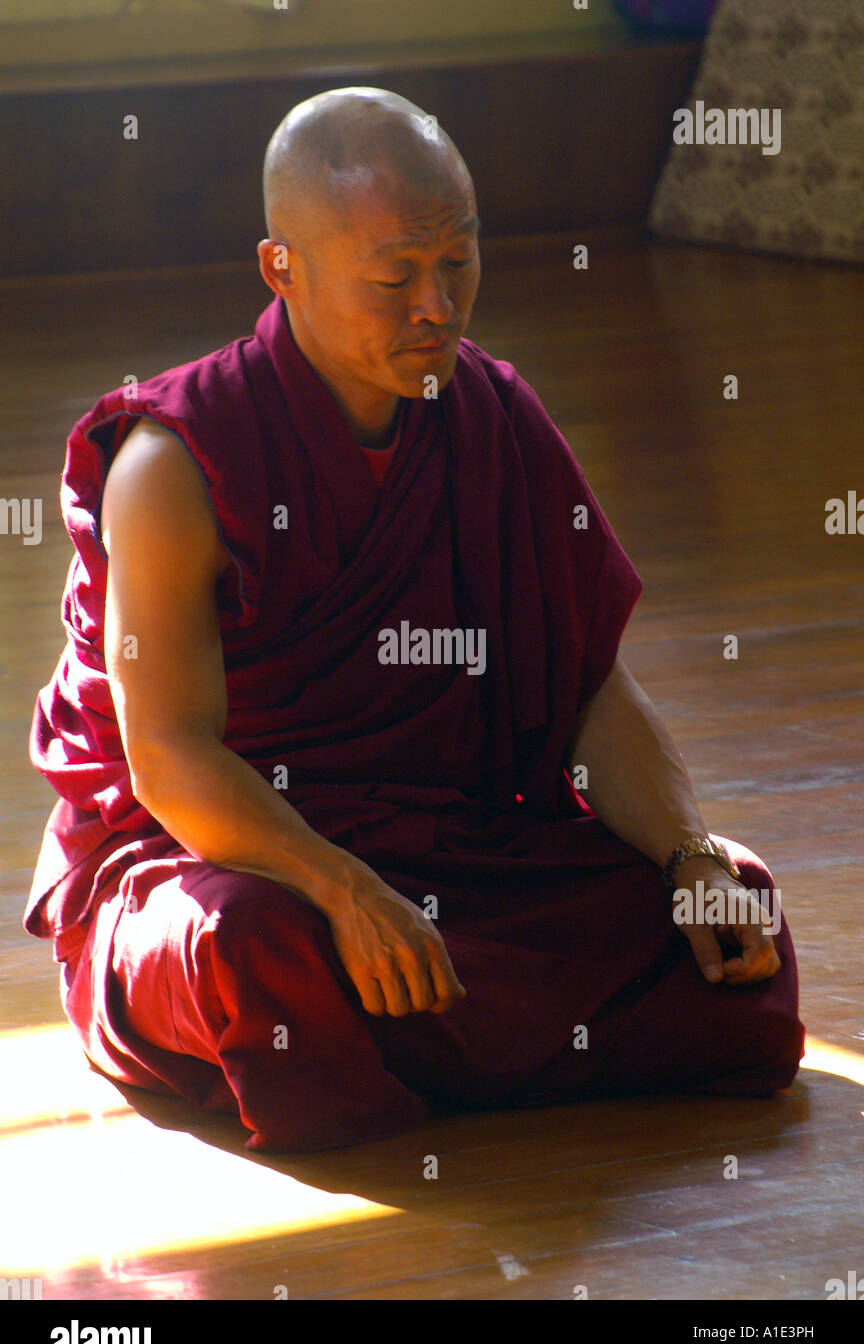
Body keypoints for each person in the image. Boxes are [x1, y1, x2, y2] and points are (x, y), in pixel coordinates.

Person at [24, 87, 804, 1153]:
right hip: (233, 863)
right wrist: (344, 891)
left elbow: (589, 688)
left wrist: (689, 861)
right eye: (394, 277)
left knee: (733, 916)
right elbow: (165, 759)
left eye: (459, 263)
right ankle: (472, 1038)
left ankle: (420, 1041)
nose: (437, 307)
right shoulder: (175, 462)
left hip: (449, 853)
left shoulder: (489, 415)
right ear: (282, 268)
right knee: (252, 953)